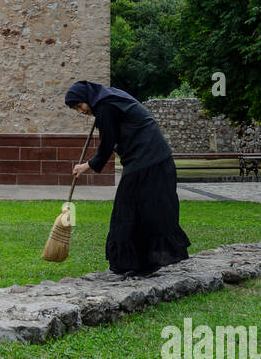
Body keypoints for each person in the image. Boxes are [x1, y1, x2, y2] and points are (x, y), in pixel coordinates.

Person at [65, 80, 190, 278]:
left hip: (148, 161)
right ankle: (139, 262)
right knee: (139, 210)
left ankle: (142, 262)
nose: (81, 111)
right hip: (152, 160)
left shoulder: (105, 106)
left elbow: (107, 144)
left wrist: (86, 166)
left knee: (130, 210)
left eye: (80, 106)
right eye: (76, 109)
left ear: (87, 98)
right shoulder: (109, 99)